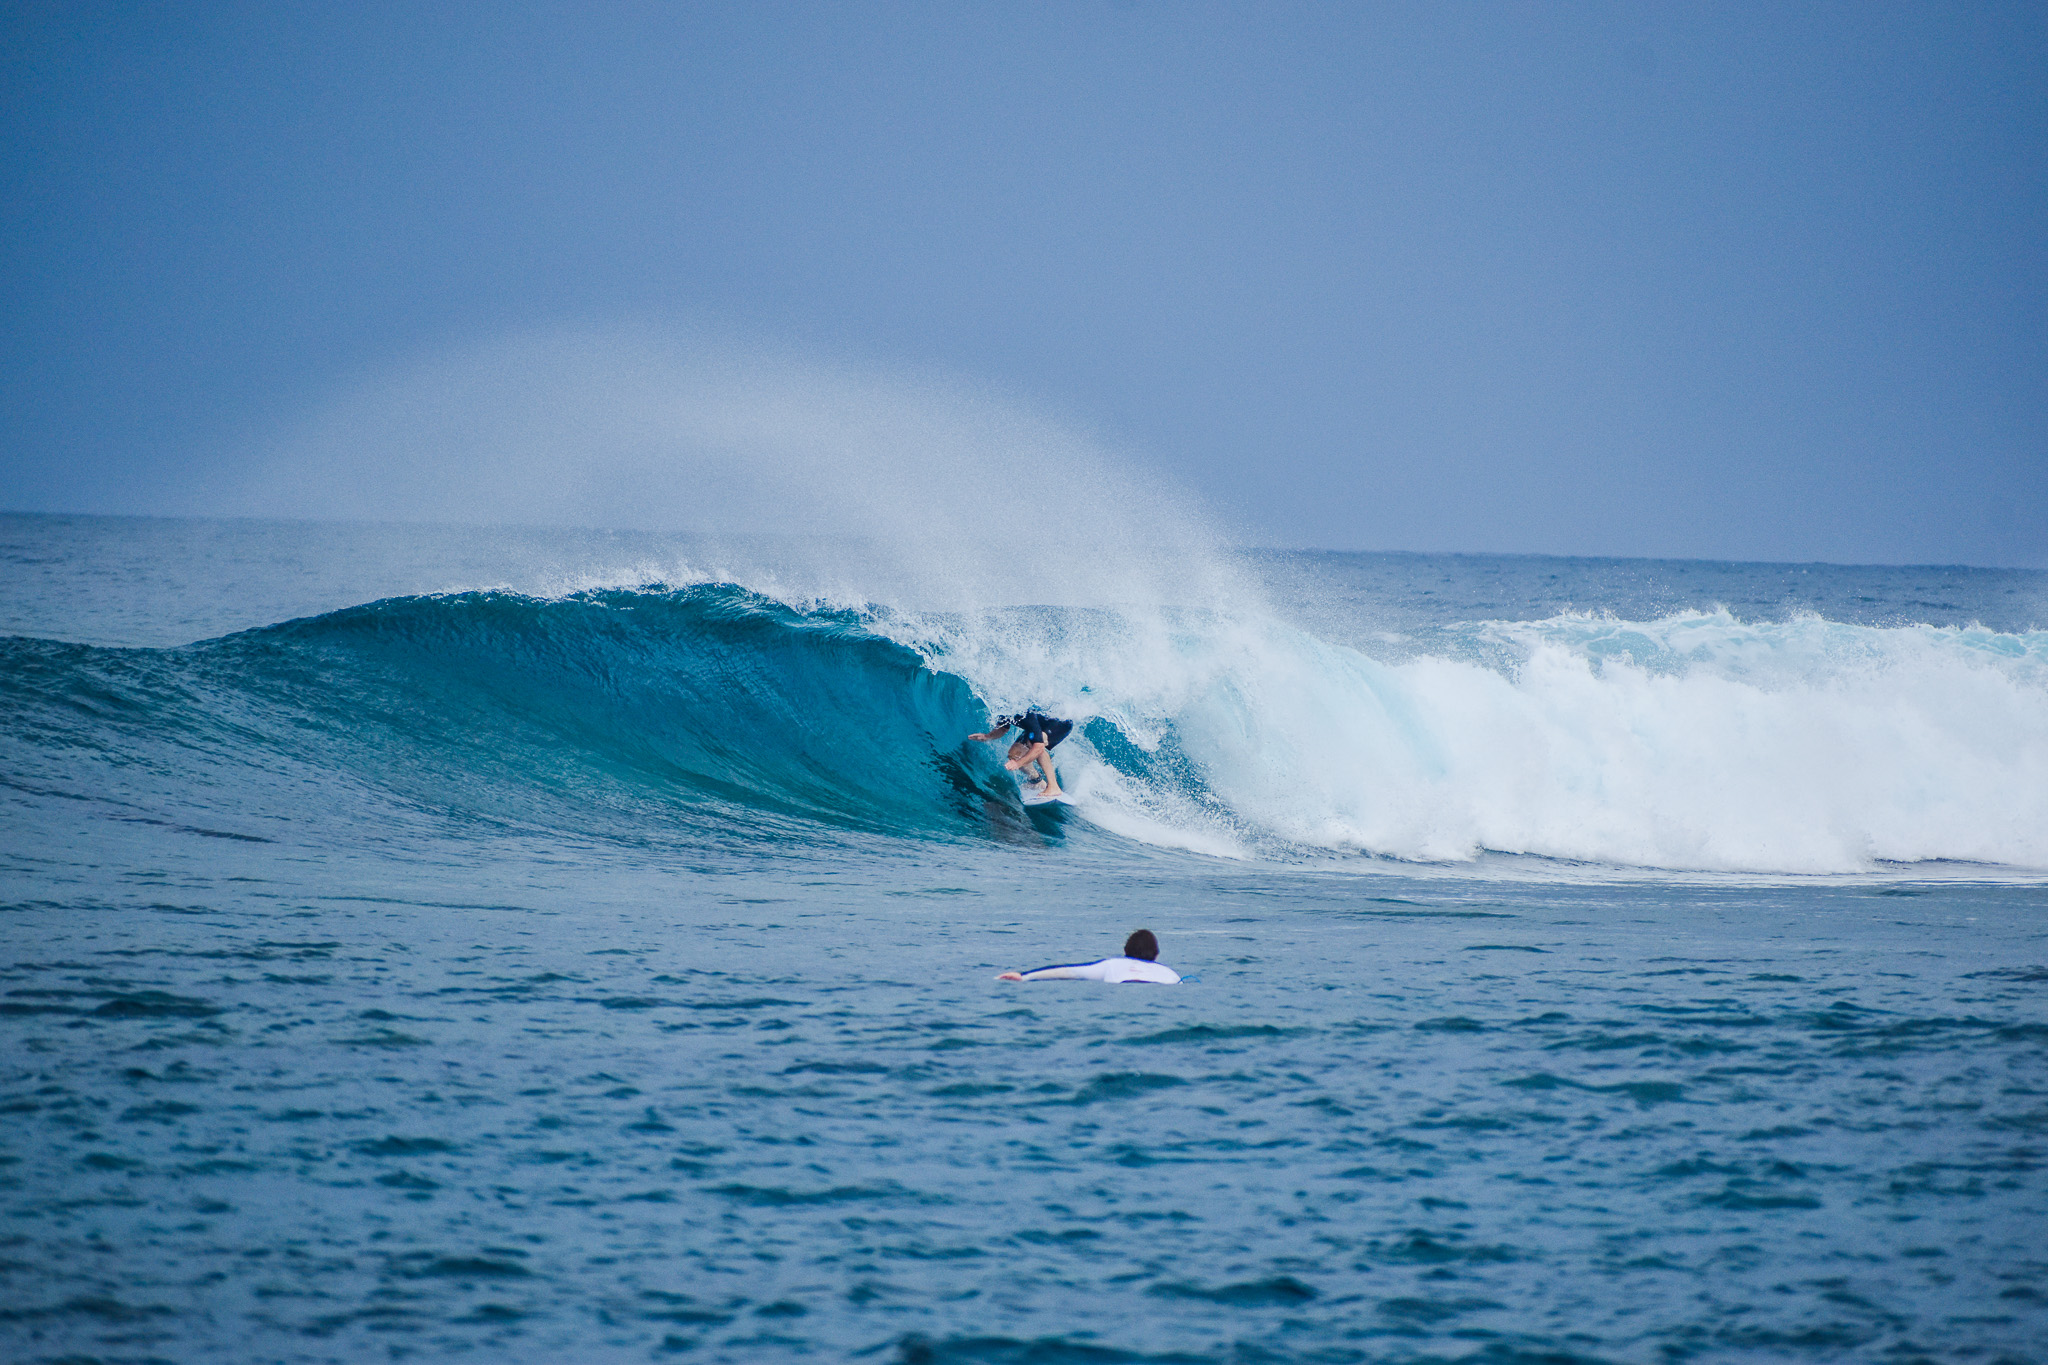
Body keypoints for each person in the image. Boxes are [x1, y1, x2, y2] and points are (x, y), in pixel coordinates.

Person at [998, 929, 1182, 984]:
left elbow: (1069, 972)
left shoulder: (1113, 965)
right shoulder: (1171, 974)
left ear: (1126, 950)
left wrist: (1024, 976)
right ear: (1156, 954)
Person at [969, 709, 1075, 799]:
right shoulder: (1003, 707)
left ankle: (1053, 787)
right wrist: (987, 736)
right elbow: (1003, 729)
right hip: (1039, 725)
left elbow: (1038, 747)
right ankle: (1037, 782)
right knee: (1014, 755)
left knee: (1037, 743)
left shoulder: (1025, 714)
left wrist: (1018, 764)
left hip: (1061, 724)